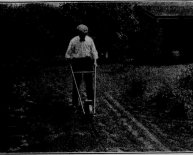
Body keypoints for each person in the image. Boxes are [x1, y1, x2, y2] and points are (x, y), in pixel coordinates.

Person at [65, 24, 98, 110]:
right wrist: (69, 60)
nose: (83, 36)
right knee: (76, 83)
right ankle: (75, 103)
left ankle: (91, 103)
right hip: (77, 62)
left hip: (87, 62)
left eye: (85, 34)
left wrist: (95, 62)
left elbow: (94, 52)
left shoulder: (90, 40)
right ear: (78, 33)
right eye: (82, 34)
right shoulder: (73, 41)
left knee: (89, 84)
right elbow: (68, 53)